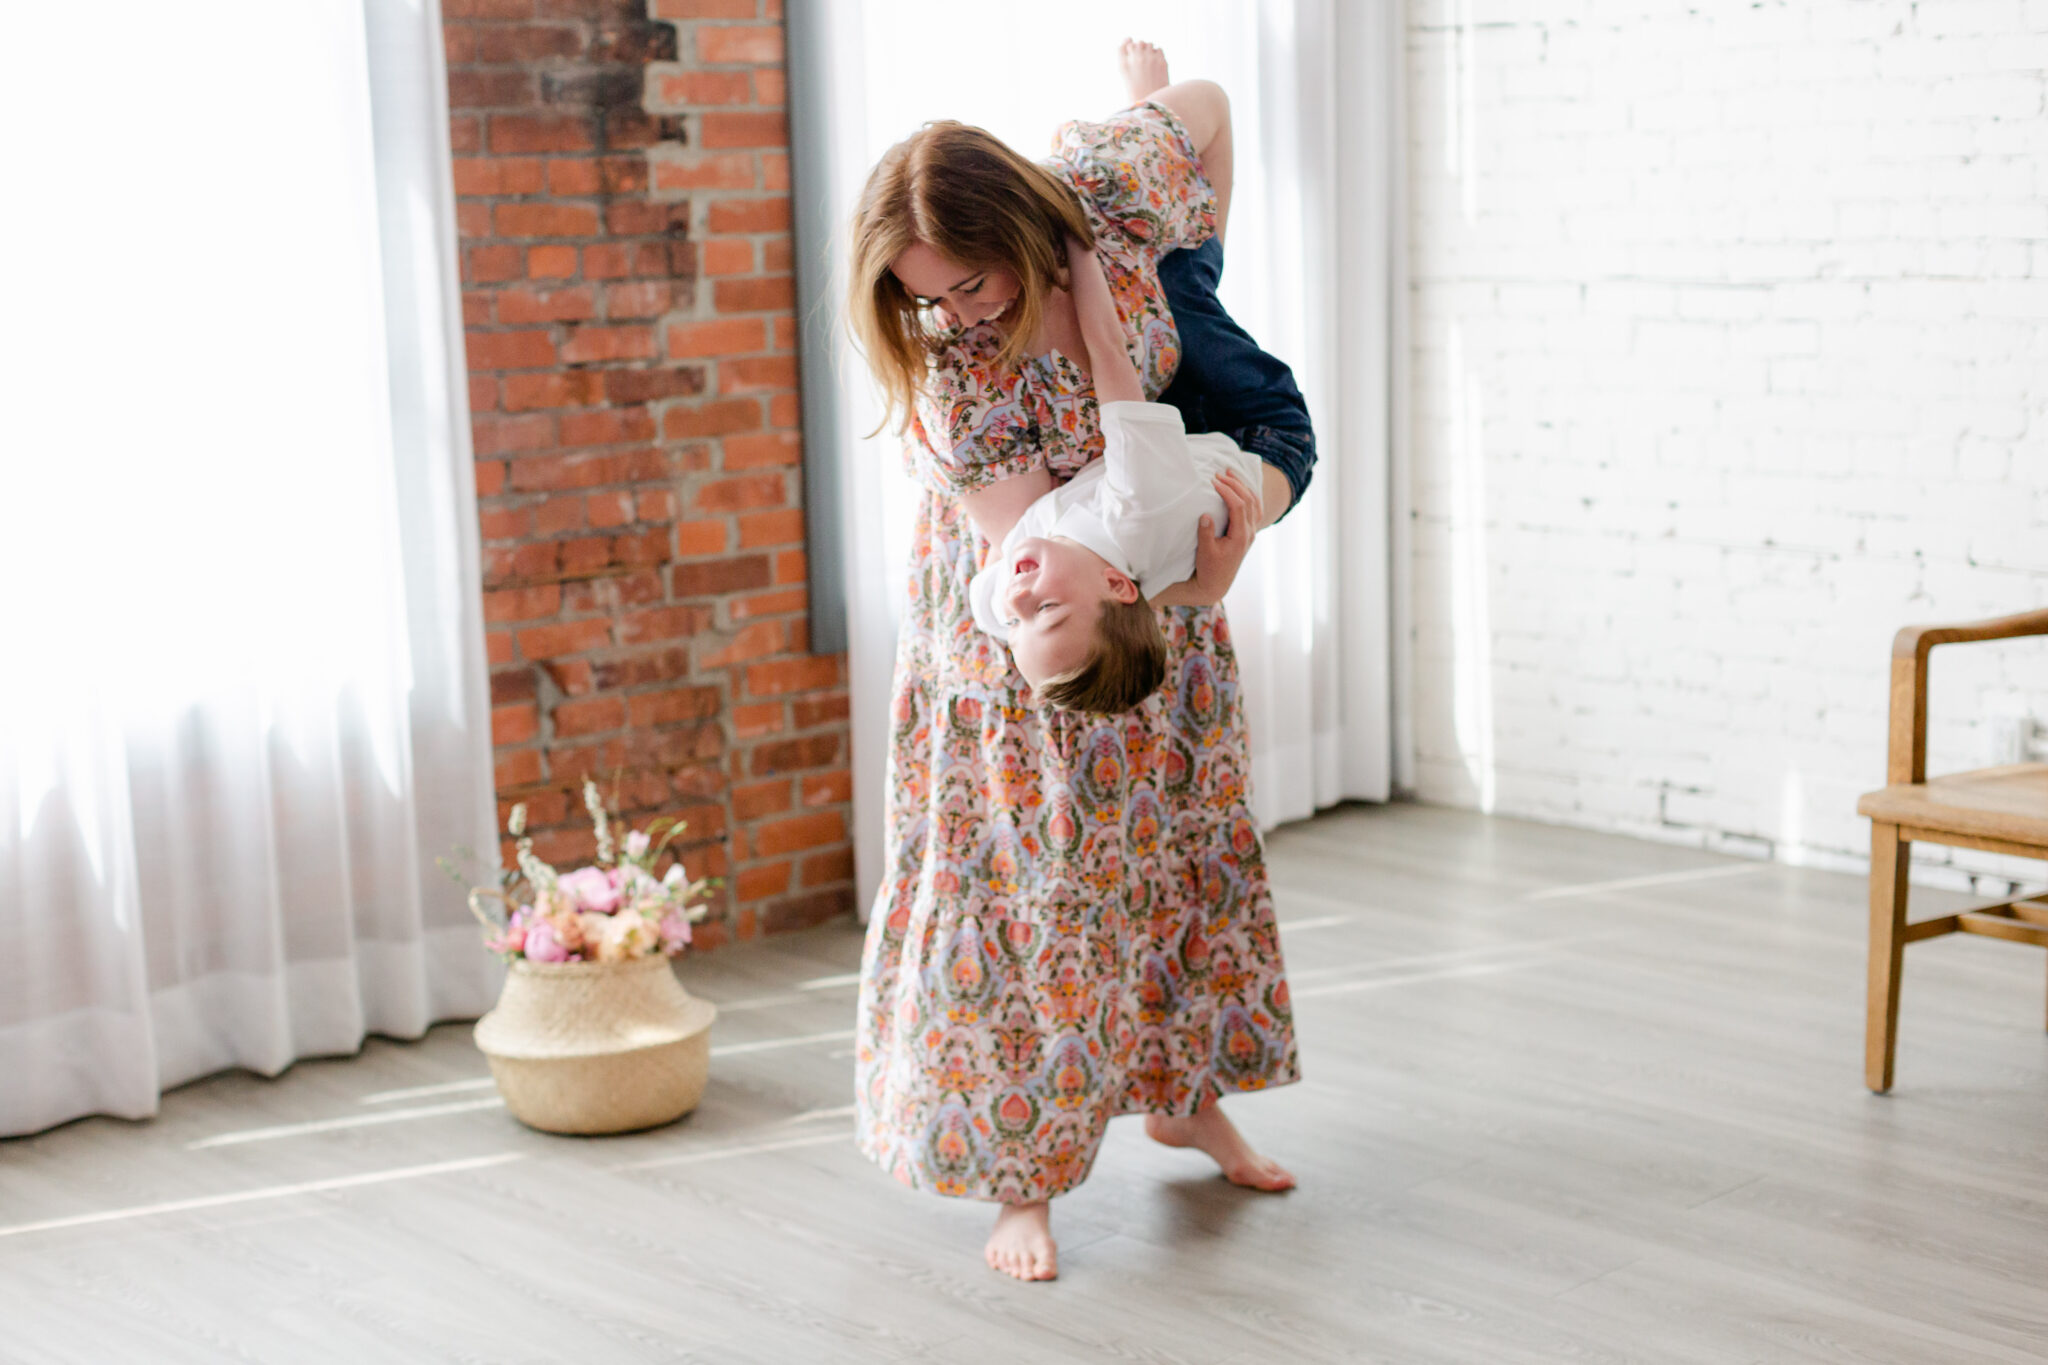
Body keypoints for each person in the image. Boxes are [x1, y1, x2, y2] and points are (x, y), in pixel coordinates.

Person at [846, 39, 1299, 1284]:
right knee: (1036, 900)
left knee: (1176, 855)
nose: (957, 316)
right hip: (1034, 639)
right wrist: (1197, 581)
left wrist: (1185, 263)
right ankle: (1022, 1170)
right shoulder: (957, 385)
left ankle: (1180, 1097)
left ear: (1026, 224)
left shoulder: (1096, 192)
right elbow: (1043, 556)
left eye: (973, 282)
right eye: (925, 300)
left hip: (1151, 595)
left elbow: (1203, 110)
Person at [963, 233, 1294, 712]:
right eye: (1046, 611)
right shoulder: (1139, 502)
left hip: (1180, 457)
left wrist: (1203, 590)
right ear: (1118, 584)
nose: (1015, 600)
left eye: (1016, 626)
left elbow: (996, 606)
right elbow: (1108, 349)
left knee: (1152, 398)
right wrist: (1076, 241)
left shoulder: (1015, 589)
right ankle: (1202, 212)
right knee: (1175, 285)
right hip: (1264, 438)